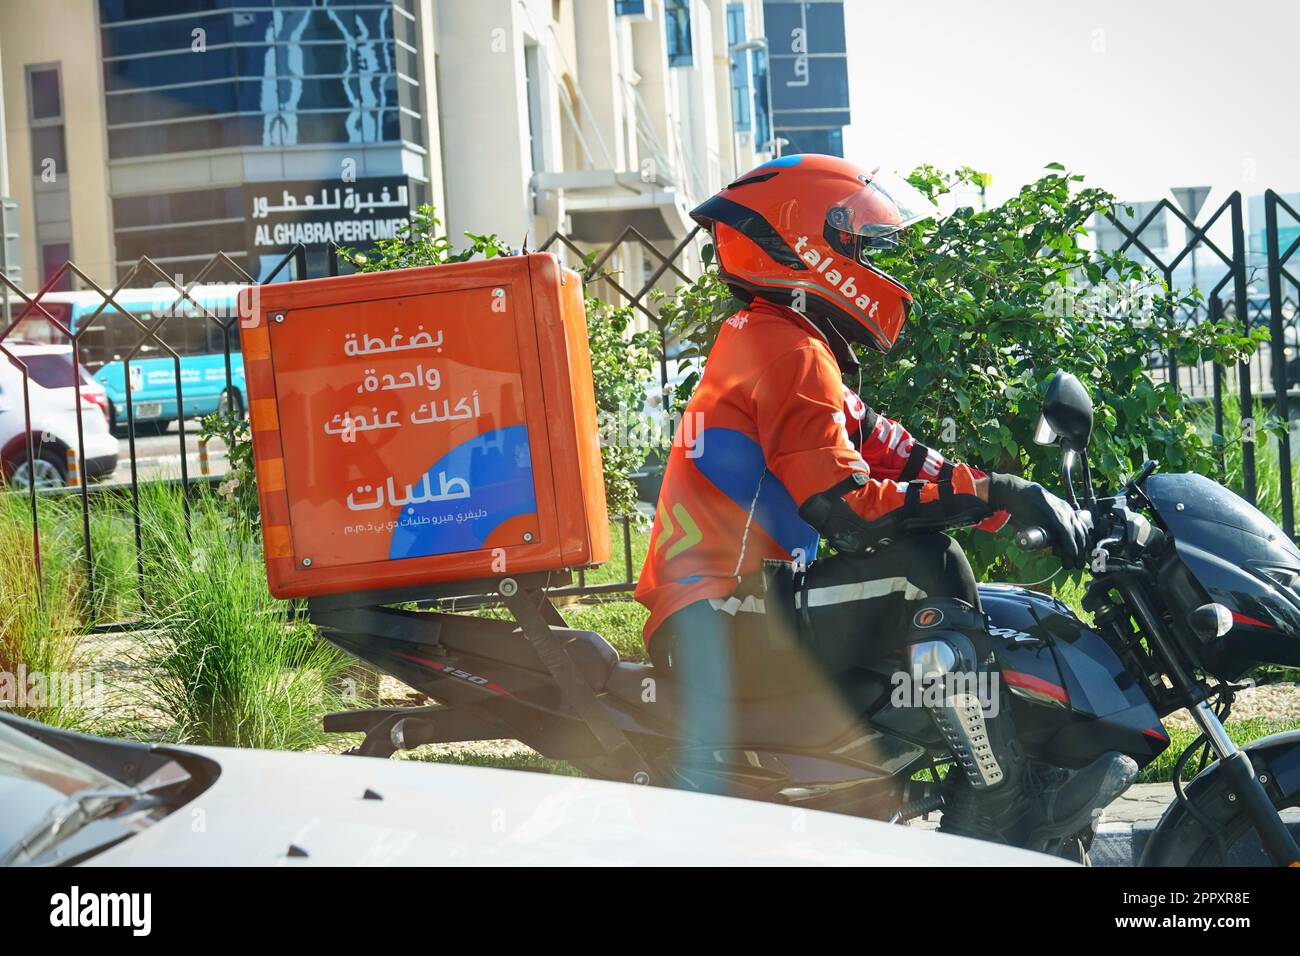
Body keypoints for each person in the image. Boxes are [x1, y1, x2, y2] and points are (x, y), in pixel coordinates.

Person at [635, 154, 1135, 847]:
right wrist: (999, 493)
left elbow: (898, 453)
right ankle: (994, 797)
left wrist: (1018, 503)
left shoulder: (784, 344)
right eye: (863, 246)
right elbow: (846, 507)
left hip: (730, 612)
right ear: (810, 244)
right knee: (925, 566)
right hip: (720, 621)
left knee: (958, 601)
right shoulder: (784, 349)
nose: (878, 264)